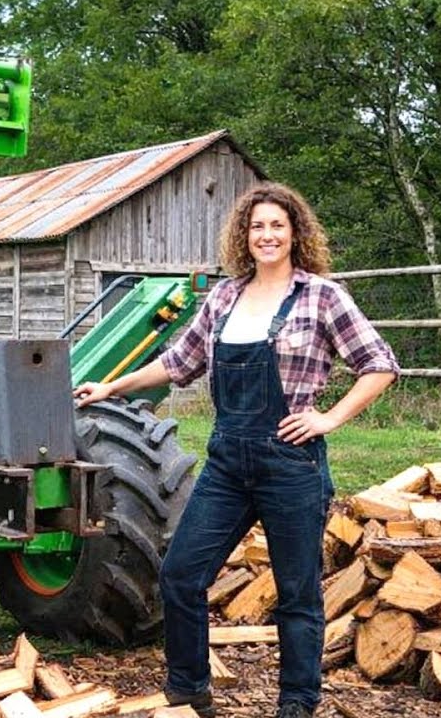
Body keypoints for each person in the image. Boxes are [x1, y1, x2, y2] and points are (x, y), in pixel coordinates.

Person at [73, 183, 399, 718]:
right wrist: (112, 387)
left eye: (277, 225)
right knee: (180, 573)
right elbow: (179, 362)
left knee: (297, 592)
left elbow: (379, 364)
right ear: (243, 237)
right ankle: (189, 690)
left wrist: (329, 417)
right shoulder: (225, 296)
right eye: (257, 227)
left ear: (295, 232)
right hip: (228, 460)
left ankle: (297, 701)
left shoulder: (322, 295)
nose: (267, 235)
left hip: (290, 462)